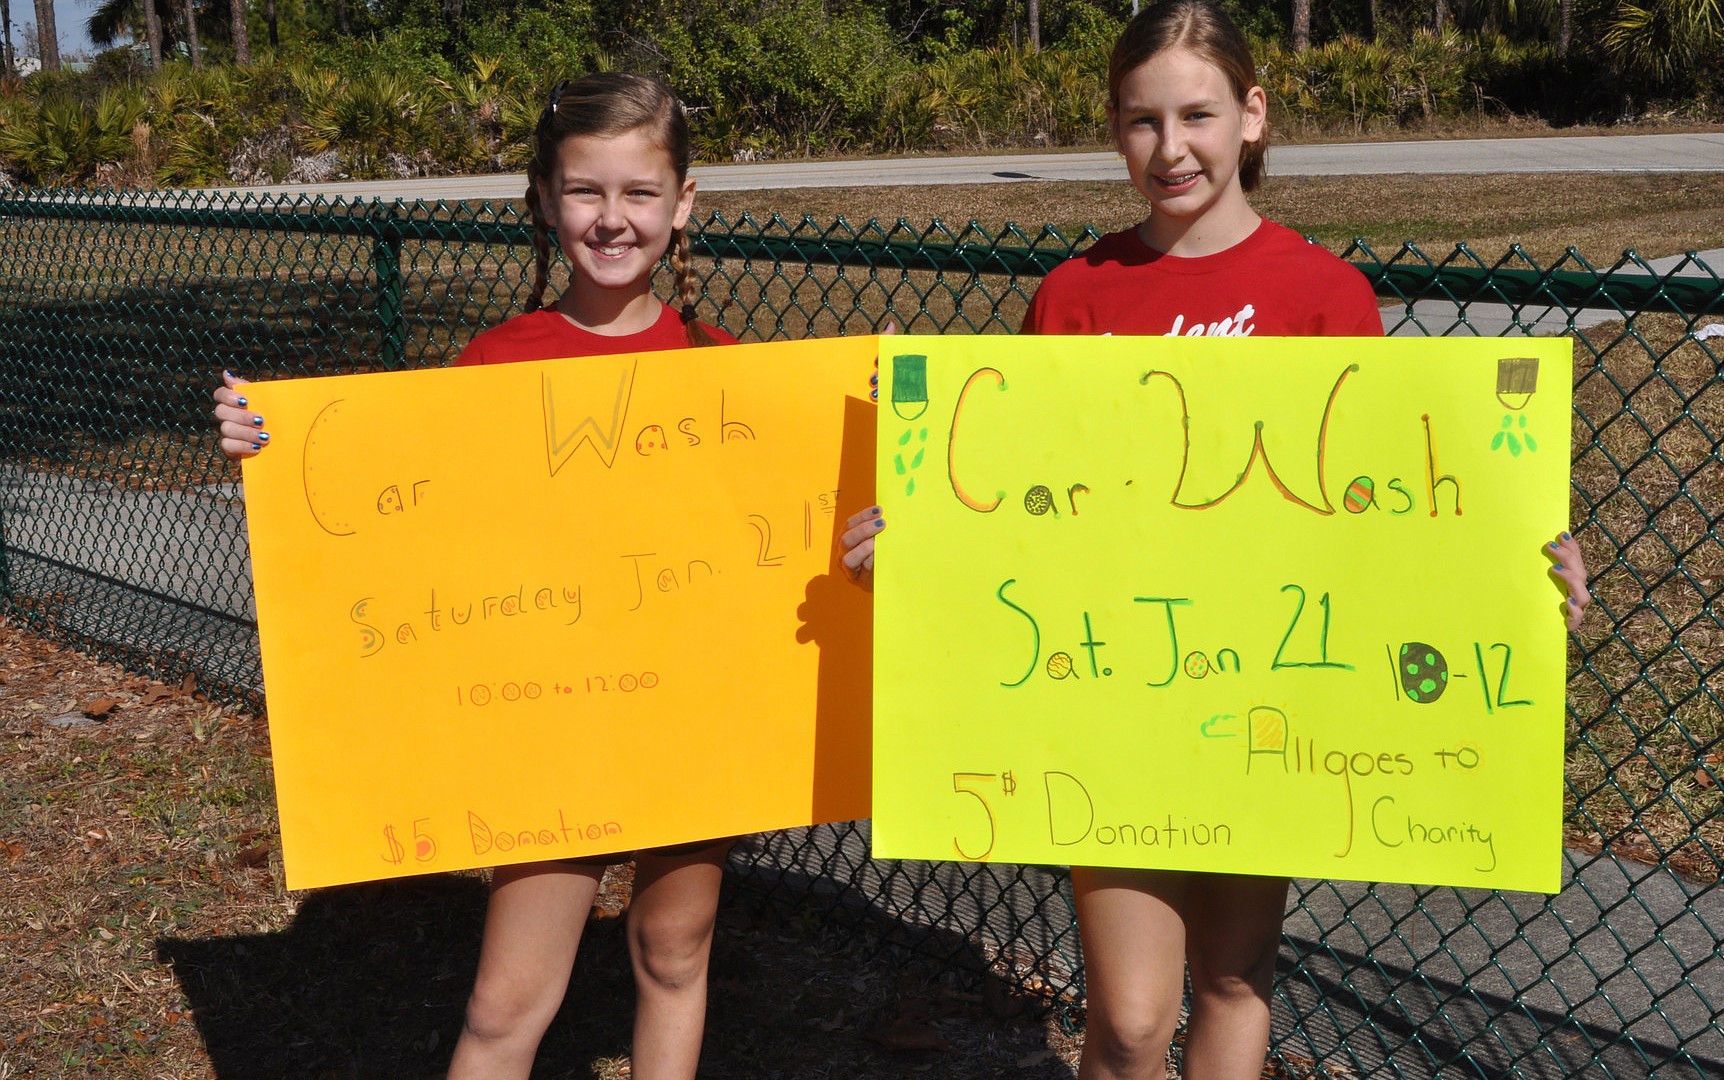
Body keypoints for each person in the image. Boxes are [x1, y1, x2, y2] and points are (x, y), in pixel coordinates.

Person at [837, 2, 1592, 1078]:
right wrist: (915, 554)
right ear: (1114, 128)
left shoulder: (1325, 297)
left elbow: (1385, 520)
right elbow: (1013, 509)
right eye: (1143, 122)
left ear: (1252, 115)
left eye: (1197, 115)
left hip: (1269, 705)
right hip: (1115, 705)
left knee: (1234, 987)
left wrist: (1518, 579)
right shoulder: (1077, 296)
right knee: (1135, 1020)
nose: (1171, 147)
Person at [214, 73, 738, 1080]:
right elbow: (397, 525)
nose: (613, 218)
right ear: (543, 200)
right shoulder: (493, 365)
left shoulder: (730, 368)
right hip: (548, 721)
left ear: (683, 203)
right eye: (586, 191)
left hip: (686, 722)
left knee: (674, 951)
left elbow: (770, 541)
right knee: (506, 1003)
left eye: (640, 192)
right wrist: (266, 452)